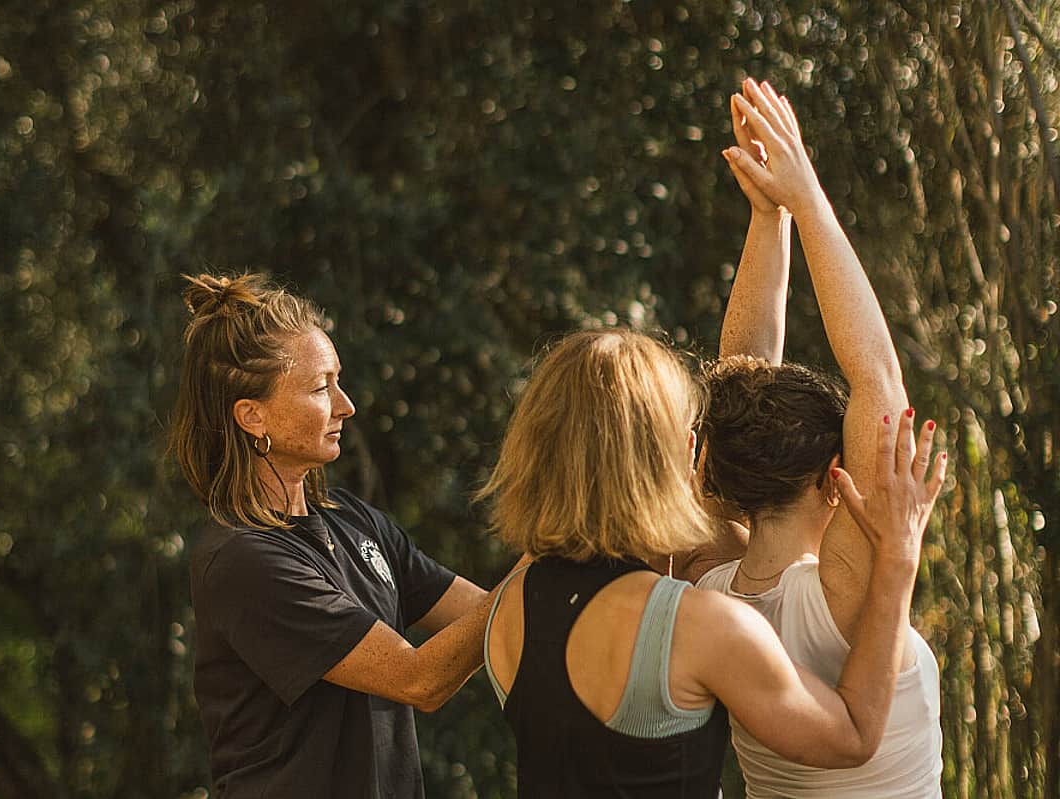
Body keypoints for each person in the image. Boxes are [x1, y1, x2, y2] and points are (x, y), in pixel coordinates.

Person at [480, 327, 945, 798]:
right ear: (669, 457)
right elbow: (854, 736)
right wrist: (899, 555)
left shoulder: (508, 607)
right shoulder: (703, 624)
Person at [170, 274, 524, 799]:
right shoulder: (244, 559)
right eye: (320, 388)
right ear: (252, 416)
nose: (346, 405)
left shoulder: (354, 520)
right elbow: (418, 678)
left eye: (338, 381)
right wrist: (549, 547)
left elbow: (494, 618)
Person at [695, 79, 945, 797]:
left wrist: (767, 217)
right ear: (831, 478)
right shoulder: (848, 587)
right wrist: (805, 198)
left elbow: (739, 386)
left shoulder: (714, 591)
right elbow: (877, 376)